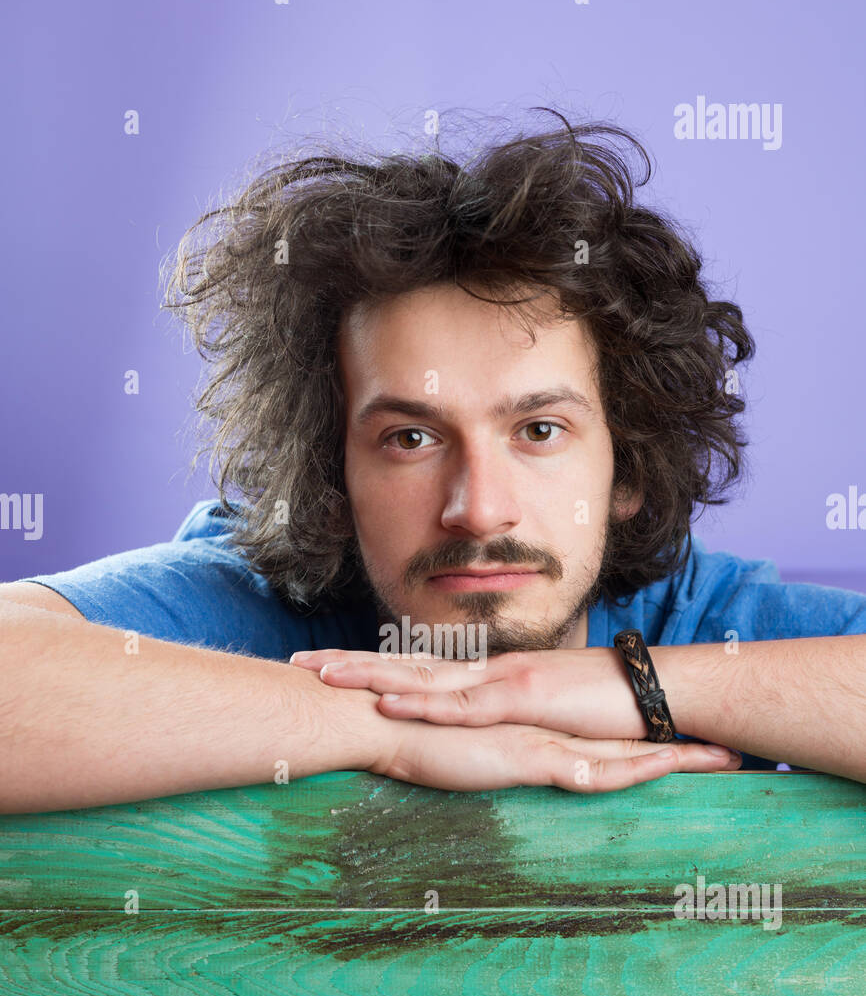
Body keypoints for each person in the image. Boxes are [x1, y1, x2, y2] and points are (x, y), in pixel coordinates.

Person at [2, 112, 864, 812]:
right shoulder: (261, 600)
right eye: (411, 439)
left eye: (539, 432)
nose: (480, 511)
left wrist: (626, 683)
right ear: (331, 479)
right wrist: (399, 728)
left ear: (628, 468)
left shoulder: (695, 615)